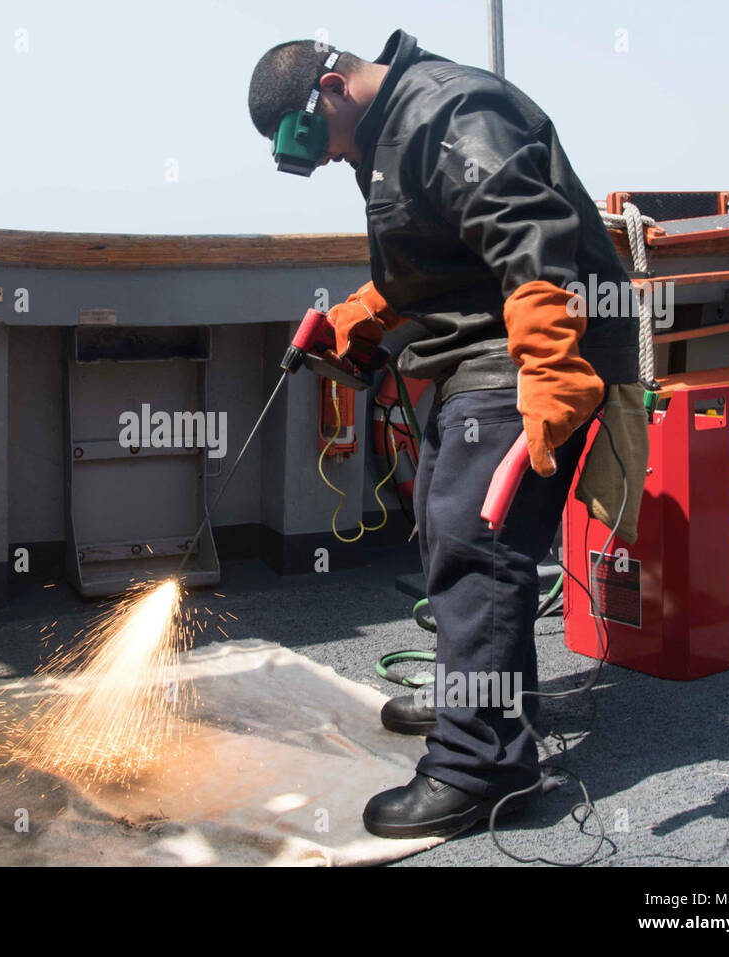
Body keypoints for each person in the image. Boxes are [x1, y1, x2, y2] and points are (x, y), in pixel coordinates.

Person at [248, 30, 638, 838]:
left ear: (330, 86)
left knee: (476, 539)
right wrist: (363, 315)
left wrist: (550, 366)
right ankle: (478, 692)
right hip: (483, 343)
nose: (315, 160)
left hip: (533, 344)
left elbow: (528, 230)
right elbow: (436, 259)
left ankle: (482, 767)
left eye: (306, 138)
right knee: (439, 510)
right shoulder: (386, 135)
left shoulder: (448, 110)